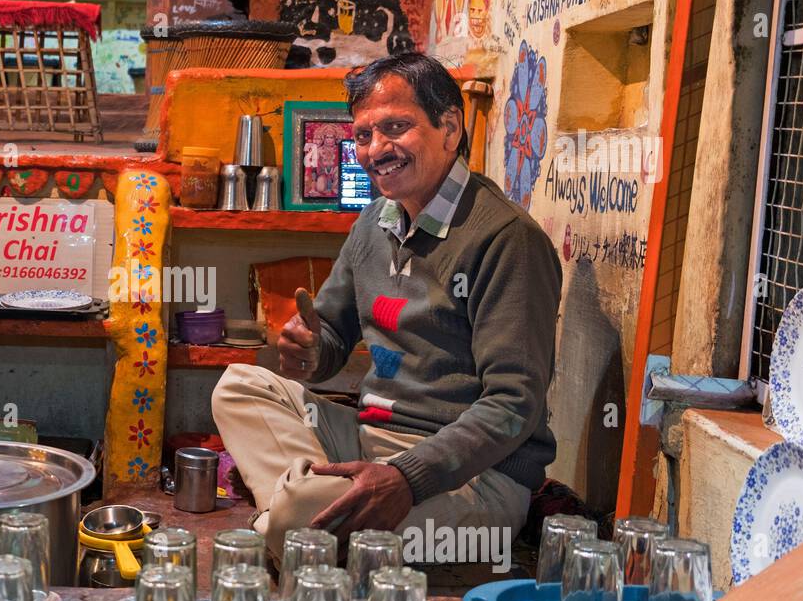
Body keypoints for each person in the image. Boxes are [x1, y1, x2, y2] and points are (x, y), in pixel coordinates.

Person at [212, 52, 562, 562]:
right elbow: (330, 335)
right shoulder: (376, 221)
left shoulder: (507, 240)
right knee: (240, 387)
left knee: (301, 513)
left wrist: (405, 477)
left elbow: (514, 405)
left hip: (473, 480)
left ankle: (291, 518)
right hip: (368, 440)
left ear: (449, 127)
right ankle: (300, 514)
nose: (376, 150)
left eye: (396, 127)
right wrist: (310, 350)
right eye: (362, 135)